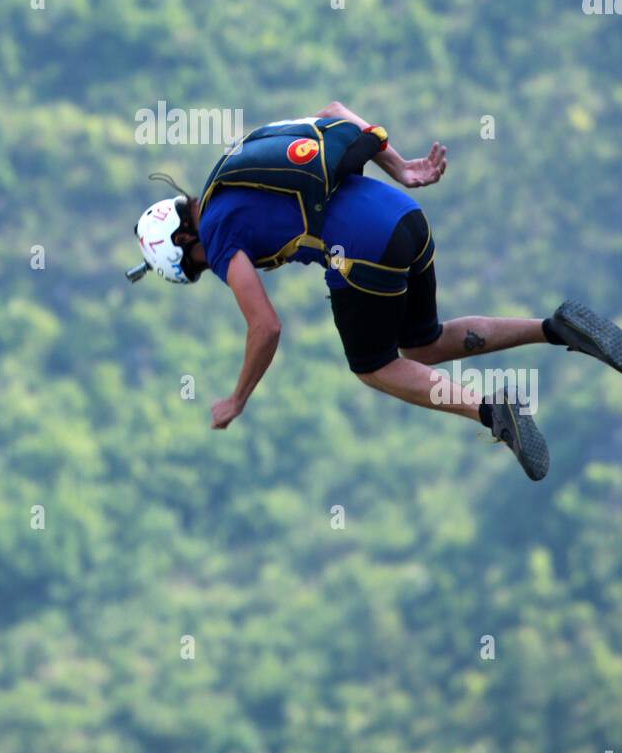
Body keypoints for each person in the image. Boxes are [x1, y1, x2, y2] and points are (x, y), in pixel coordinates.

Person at [126, 100, 622, 482]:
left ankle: (493, 413)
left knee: (374, 367)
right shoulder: (237, 168)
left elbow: (266, 327)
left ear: (184, 240)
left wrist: (237, 398)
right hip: (405, 215)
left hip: (362, 247)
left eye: (193, 265)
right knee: (422, 344)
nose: (205, 267)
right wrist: (401, 168)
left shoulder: (215, 233)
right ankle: (555, 329)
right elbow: (334, 113)